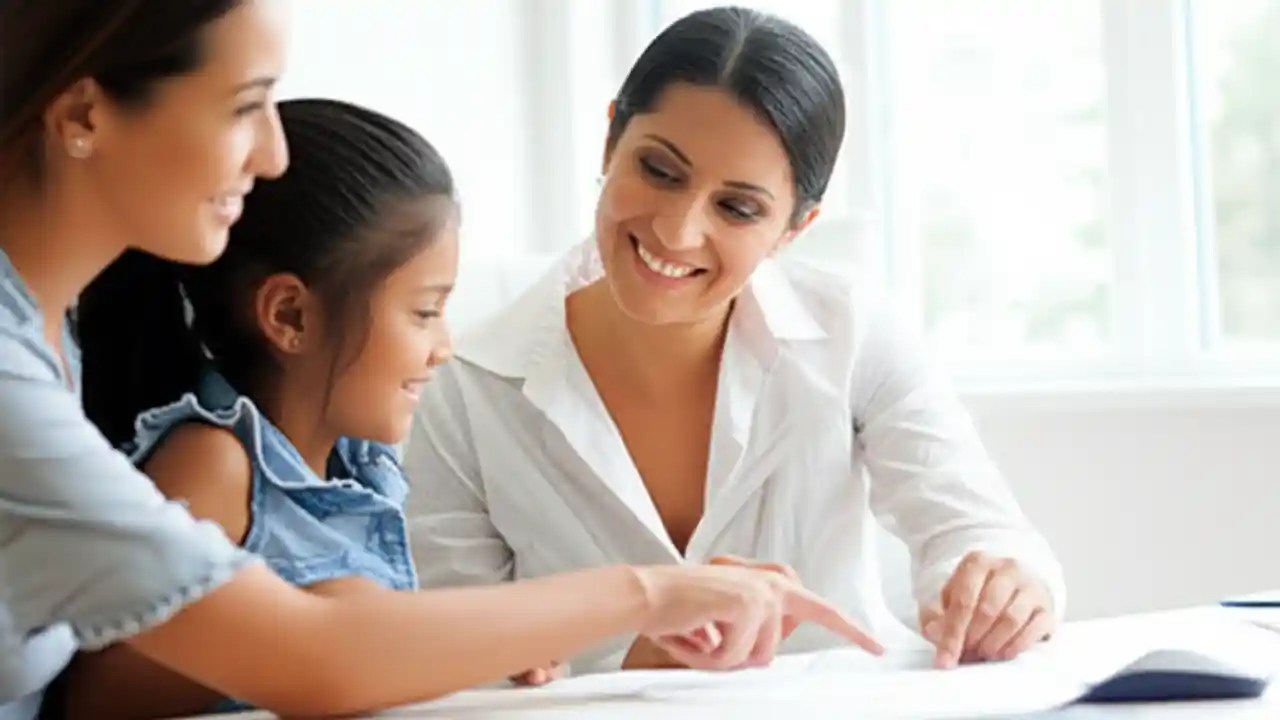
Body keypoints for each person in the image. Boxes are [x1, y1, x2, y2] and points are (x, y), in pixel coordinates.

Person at [0, 3, 879, 718]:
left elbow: (345, 643)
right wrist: (652, 593)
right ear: (83, 115)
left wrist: (459, 646)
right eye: (245, 104)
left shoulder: (58, 345)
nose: (272, 152)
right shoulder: (109, 421)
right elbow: (313, 654)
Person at [405, 5, 1066, 676]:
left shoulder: (854, 334)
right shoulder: (464, 389)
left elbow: (974, 527)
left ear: (793, 228)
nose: (677, 231)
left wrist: (1002, 587)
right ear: (611, 144)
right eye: (660, 170)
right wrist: (638, 657)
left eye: (738, 208)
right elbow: (453, 669)